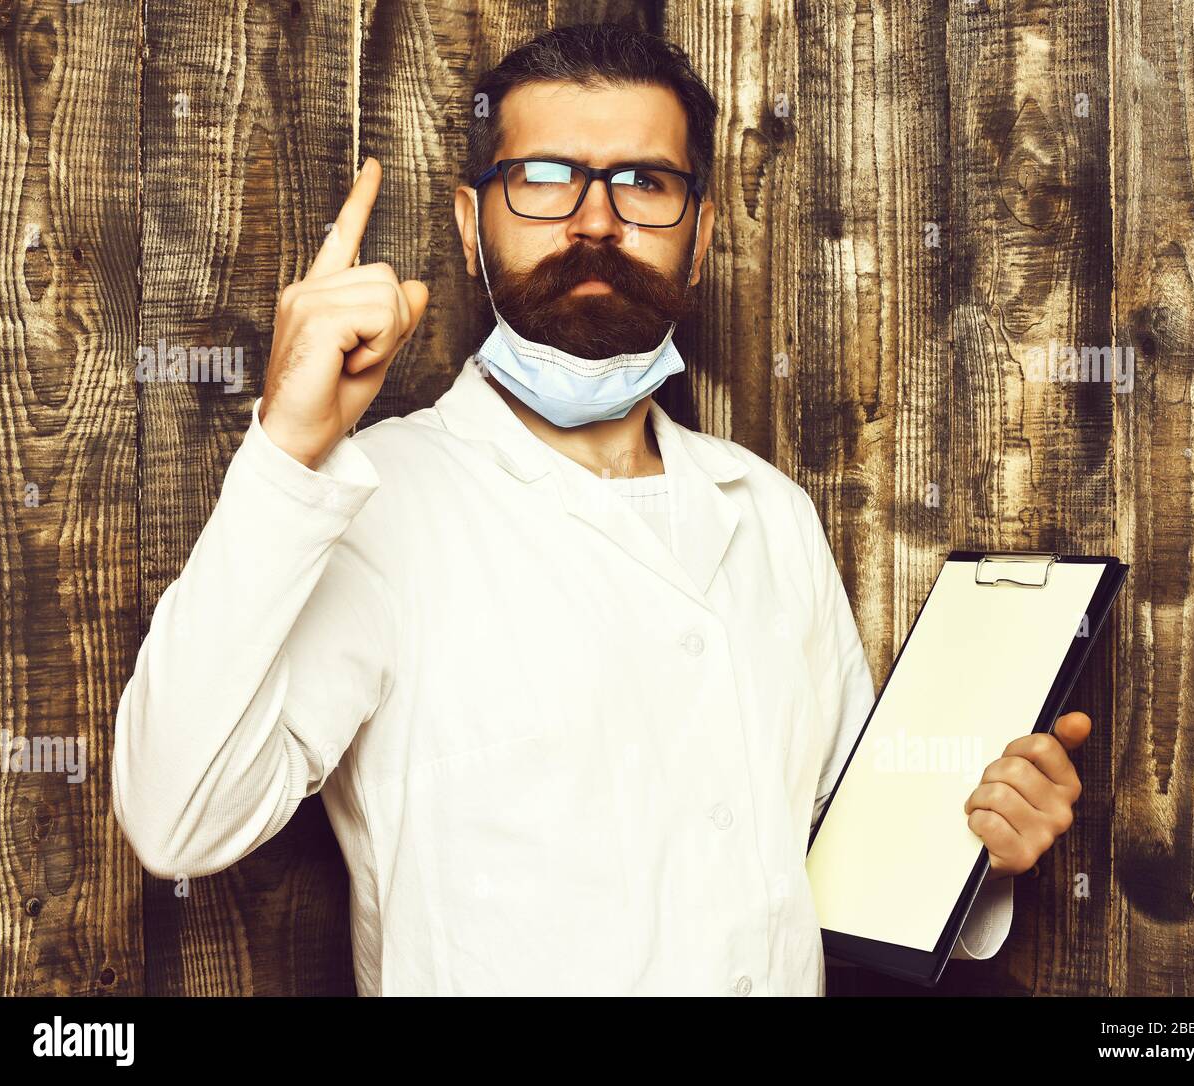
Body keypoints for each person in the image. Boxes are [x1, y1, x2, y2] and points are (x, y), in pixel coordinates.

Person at [112, 23, 1090, 996]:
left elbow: (841, 860)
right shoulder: (378, 503)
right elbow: (176, 818)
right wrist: (288, 447)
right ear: (469, 225)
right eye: (543, 176)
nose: (593, 221)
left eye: (644, 182)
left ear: (700, 235)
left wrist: (983, 840)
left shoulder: (771, 516)